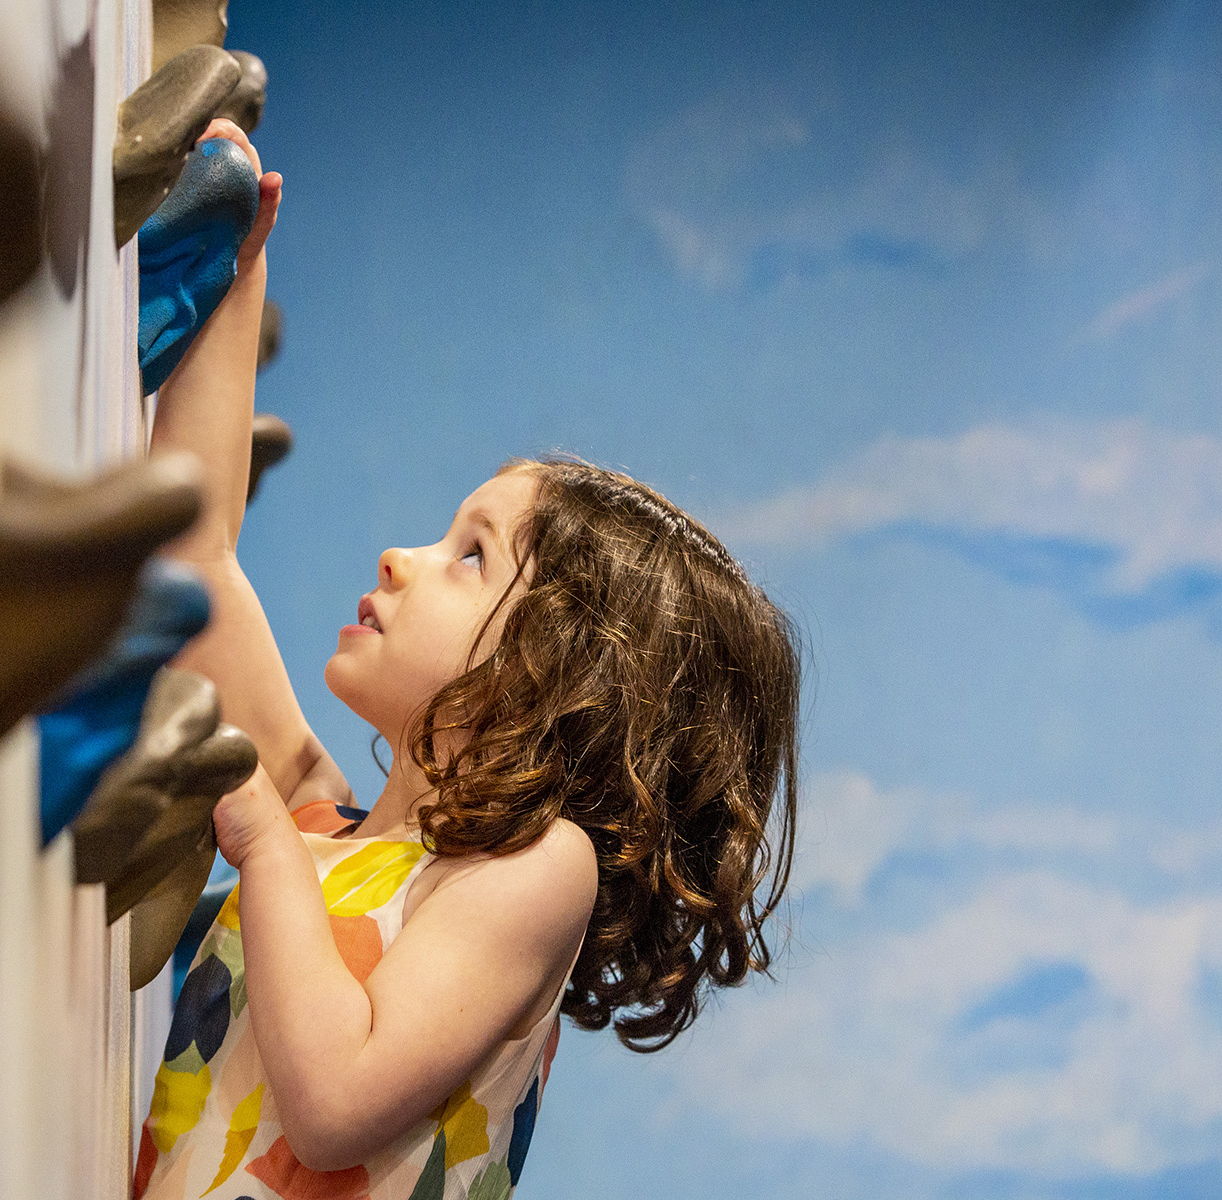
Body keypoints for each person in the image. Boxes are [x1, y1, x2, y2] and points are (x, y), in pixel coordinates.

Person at [136, 118, 802, 1200]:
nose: (402, 557)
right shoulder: (319, 823)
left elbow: (338, 1102)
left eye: (469, 558)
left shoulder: (537, 874)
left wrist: (256, 842)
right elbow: (193, 557)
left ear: (558, 672)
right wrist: (236, 272)